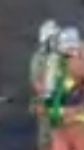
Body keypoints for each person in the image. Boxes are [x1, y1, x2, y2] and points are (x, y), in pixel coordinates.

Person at [40, 26, 84, 150]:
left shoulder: (52, 64)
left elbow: (44, 89)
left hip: (57, 117)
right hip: (76, 117)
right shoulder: (79, 63)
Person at [30, 20, 61, 149]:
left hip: (62, 103)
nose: (56, 41)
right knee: (46, 139)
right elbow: (36, 81)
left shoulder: (60, 57)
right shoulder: (39, 58)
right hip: (46, 104)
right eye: (53, 38)